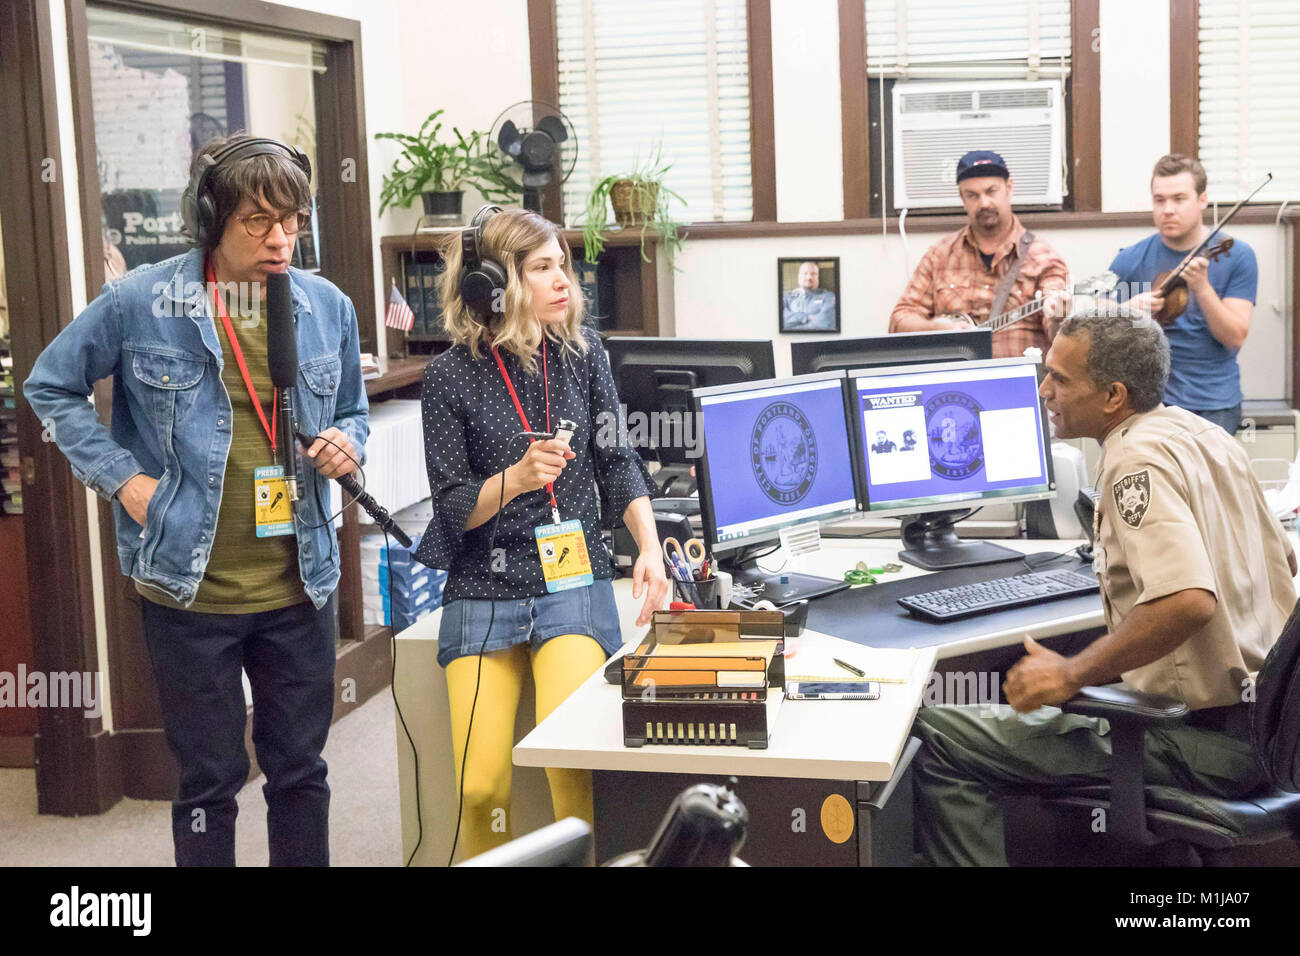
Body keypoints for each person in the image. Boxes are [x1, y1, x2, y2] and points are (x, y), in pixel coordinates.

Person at [24, 134, 369, 866]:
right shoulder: (141, 301)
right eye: (259, 221)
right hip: (188, 591)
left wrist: (348, 442)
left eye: (294, 221)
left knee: (301, 774)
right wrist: (122, 477)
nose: (281, 240)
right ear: (209, 216)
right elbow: (49, 386)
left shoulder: (327, 306)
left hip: (298, 586)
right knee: (210, 784)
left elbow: (352, 410)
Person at [910, 308, 1296, 866]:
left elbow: (1187, 600)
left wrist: (1070, 673)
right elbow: (1280, 557)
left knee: (939, 730)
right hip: (1271, 735)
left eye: (1060, 378)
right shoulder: (1207, 436)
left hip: (1203, 743)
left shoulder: (1132, 459)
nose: (1044, 390)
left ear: (1114, 395)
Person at [416, 206, 669, 860]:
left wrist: (648, 544)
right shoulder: (446, 377)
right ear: (492, 286)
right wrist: (518, 478)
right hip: (483, 585)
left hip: (571, 578)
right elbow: (451, 508)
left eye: (564, 265)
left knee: (573, 768)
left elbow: (617, 458)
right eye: (543, 269)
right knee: (480, 790)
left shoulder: (584, 357)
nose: (565, 282)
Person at [1109, 153, 1258, 434]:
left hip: (1214, 404)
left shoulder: (1238, 255)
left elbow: (1234, 336)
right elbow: (1096, 320)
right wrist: (1127, 310)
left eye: (1179, 199)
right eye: (1159, 200)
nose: (1167, 209)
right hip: (1149, 404)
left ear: (1202, 200)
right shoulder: (1131, 258)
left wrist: (1202, 287)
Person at [889, 150, 1070, 358]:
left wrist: (1058, 316)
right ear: (962, 197)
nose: (983, 203)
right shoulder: (939, 255)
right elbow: (899, 319)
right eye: (972, 195)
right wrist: (935, 327)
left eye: (991, 191)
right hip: (955, 384)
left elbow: (1061, 337)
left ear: (1008, 188)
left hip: (1019, 383)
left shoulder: (1044, 258)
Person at [782, 260, 837, 330]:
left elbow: (825, 324)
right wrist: (807, 317)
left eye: (813, 274)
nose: (809, 277)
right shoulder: (785, 296)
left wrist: (791, 328)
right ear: (798, 276)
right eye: (805, 273)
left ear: (818, 277)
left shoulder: (829, 297)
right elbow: (780, 321)